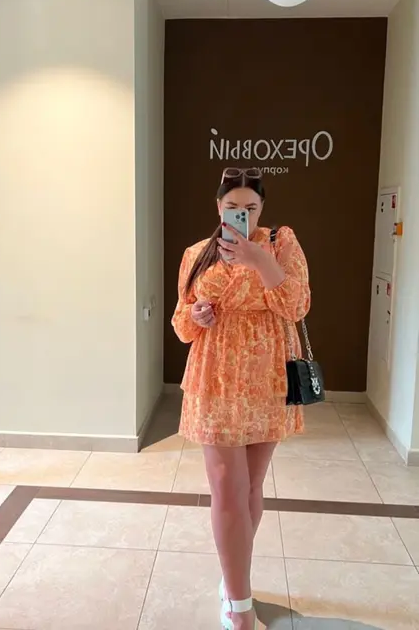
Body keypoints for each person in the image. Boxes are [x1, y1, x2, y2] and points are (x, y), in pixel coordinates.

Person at [171, 167, 311, 630]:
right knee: (227, 487)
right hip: (215, 377)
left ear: (262, 208)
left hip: (267, 378)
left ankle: (234, 579)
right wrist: (196, 315)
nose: (242, 216)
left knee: (250, 486)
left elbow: (296, 306)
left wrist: (258, 259)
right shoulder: (197, 253)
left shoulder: (281, 244)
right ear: (218, 208)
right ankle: (239, 603)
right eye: (233, 208)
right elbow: (181, 325)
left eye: (251, 208)